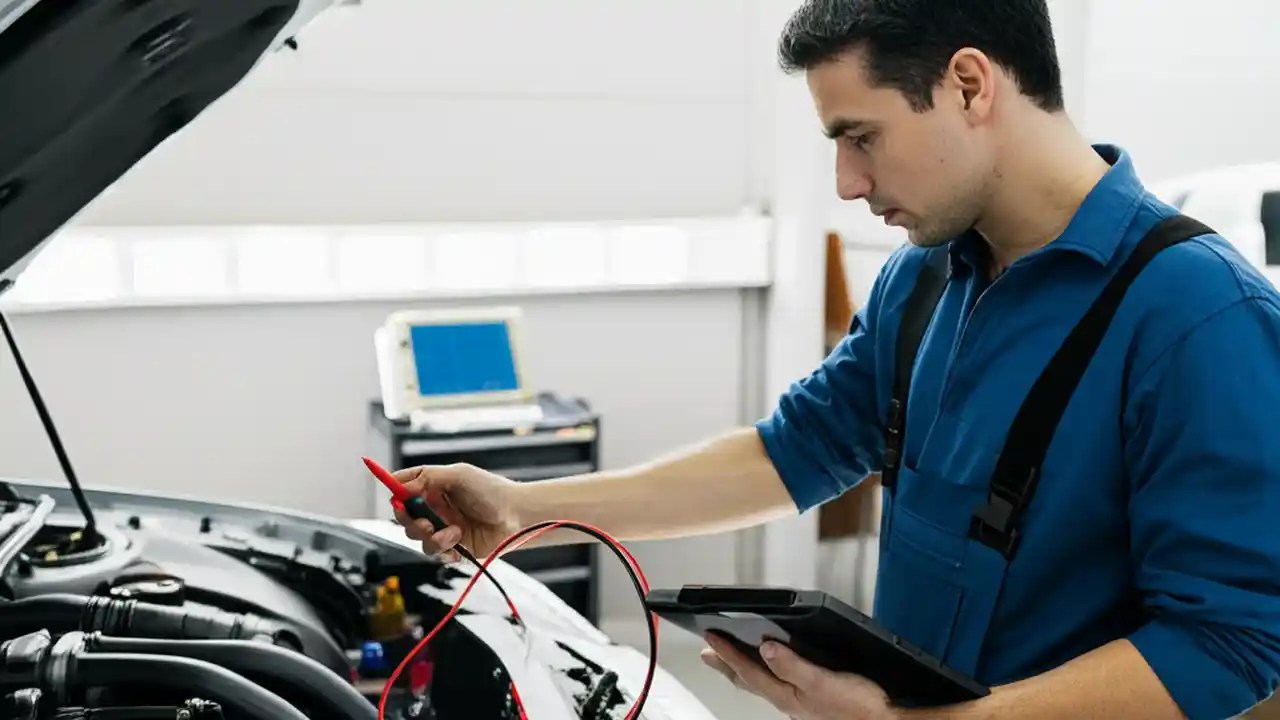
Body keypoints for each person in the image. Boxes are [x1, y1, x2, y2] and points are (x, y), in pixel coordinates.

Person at [393, 1, 1280, 718]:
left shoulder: (1202, 318)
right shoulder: (924, 277)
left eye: (862, 137)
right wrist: (523, 509)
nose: (849, 184)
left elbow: (1231, 643)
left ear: (970, 85)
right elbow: (794, 452)